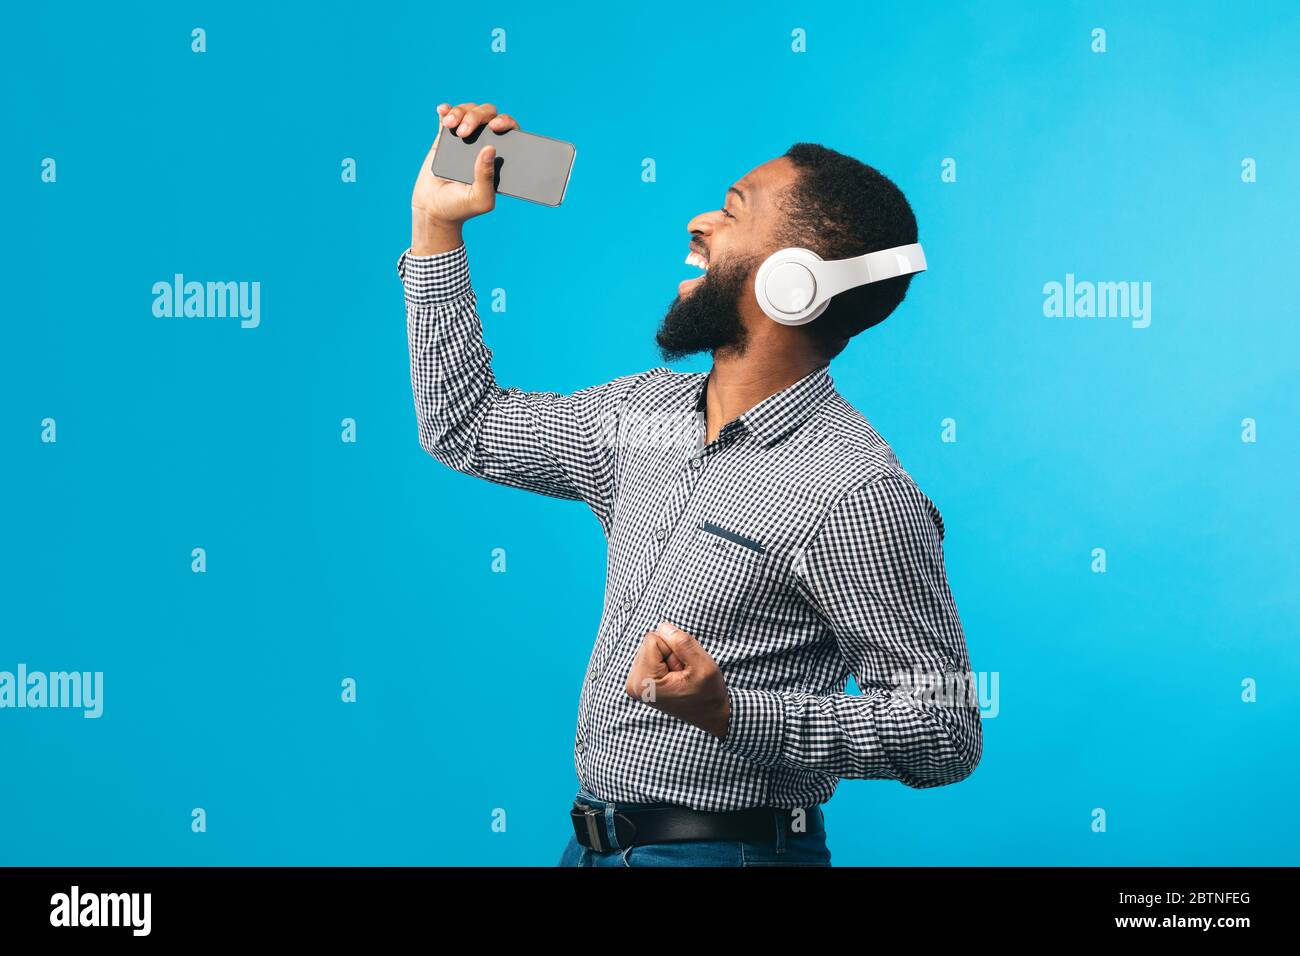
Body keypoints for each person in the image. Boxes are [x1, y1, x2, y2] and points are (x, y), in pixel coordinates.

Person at [400, 101, 982, 867]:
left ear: (795, 283)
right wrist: (436, 228)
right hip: (595, 846)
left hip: (726, 856)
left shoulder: (855, 490)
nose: (699, 223)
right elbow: (466, 426)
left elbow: (944, 730)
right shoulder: (642, 415)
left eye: (733, 211)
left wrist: (732, 712)